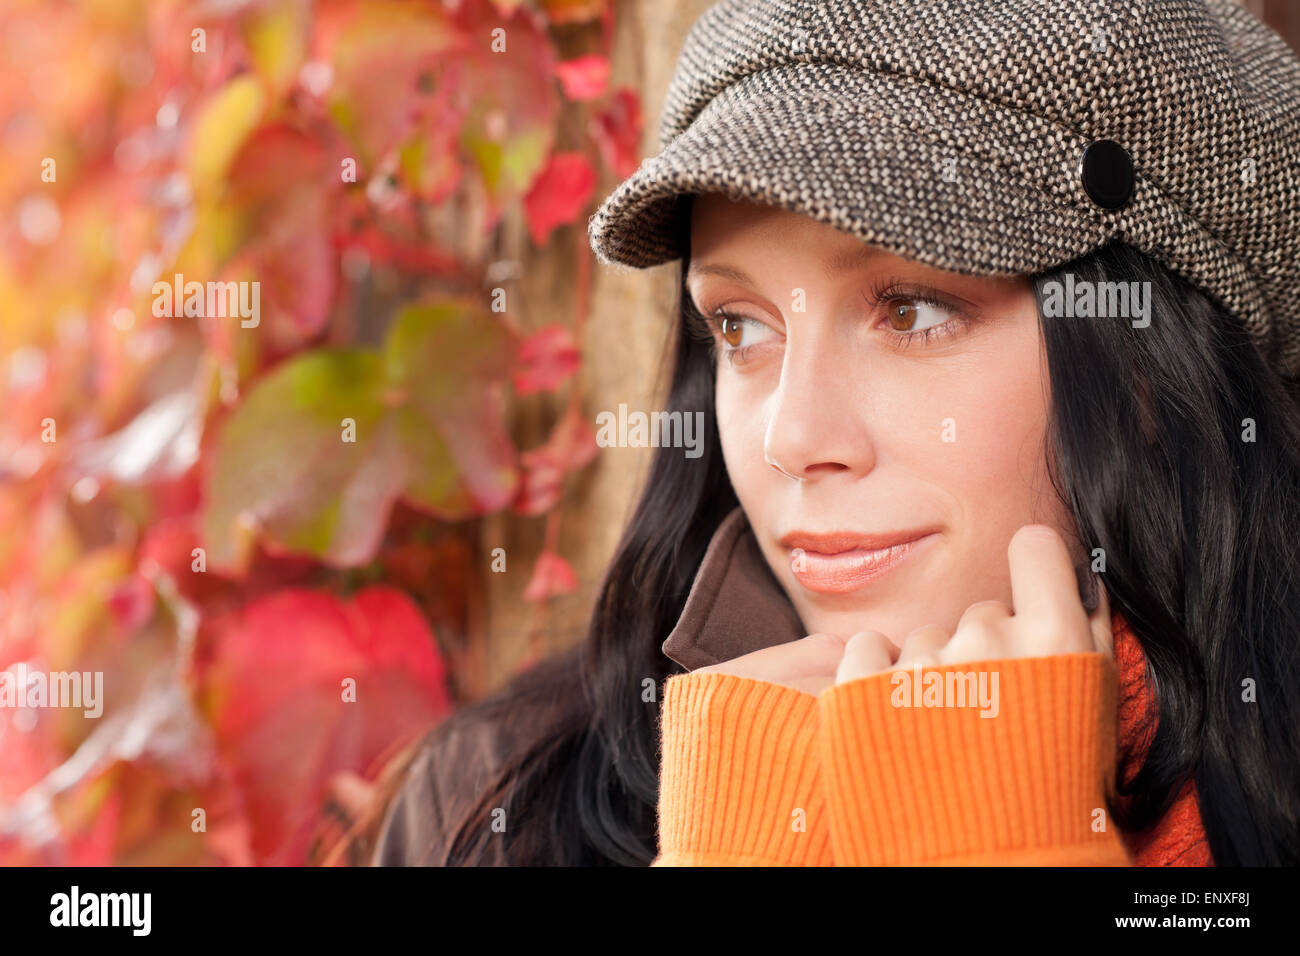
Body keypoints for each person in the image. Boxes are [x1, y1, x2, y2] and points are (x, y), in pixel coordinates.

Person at [367, 0, 1300, 866]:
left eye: (913, 311)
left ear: (1150, 365)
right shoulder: (494, 810)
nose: (791, 436)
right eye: (740, 325)